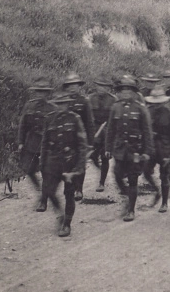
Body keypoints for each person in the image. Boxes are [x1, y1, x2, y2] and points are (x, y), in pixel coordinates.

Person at [39, 90, 89, 237]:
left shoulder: (75, 119)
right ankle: (61, 214)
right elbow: (44, 143)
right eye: (58, 104)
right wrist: (42, 162)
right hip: (53, 161)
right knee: (49, 191)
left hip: (70, 162)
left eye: (64, 104)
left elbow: (82, 145)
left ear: (68, 104)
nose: (61, 107)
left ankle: (67, 224)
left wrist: (79, 167)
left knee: (69, 194)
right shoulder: (49, 119)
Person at [105, 75, 154, 222]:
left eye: (129, 91)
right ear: (119, 92)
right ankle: (126, 196)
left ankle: (131, 210)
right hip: (120, 150)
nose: (125, 93)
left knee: (133, 179)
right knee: (117, 174)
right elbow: (111, 130)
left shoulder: (140, 109)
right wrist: (108, 147)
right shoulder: (115, 107)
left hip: (135, 150)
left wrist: (147, 152)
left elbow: (147, 132)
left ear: (134, 93)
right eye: (123, 91)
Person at [59, 72, 95, 202]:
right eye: (70, 85)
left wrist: (90, 142)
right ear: (67, 87)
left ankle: (79, 188)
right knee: (65, 162)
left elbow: (90, 123)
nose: (72, 87)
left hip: (80, 138)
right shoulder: (62, 101)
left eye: (75, 85)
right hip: (66, 137)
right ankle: (68, 186)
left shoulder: (84, 101)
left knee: (80, 162)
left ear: (79, 86)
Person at [143, 88, 170, 213]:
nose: (157, 105)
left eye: (159, 103)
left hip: (165, 148)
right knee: (146, 171)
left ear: (163, 102)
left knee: (164, 176)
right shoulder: (147, 112)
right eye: (154, 102)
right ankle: (156, 191)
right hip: (151, 147)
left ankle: (164, 203)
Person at [17, 77, 53, 199]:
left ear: (47, 93)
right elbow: (23, 125)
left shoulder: (52, 107)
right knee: (29, 170)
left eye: (43, 92)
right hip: (31, 142)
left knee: (46, 171)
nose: (40, 94)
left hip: (46, 144)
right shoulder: (29, 105)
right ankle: (39, 189)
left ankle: (44, 195)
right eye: (38, 91)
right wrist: (20, 142)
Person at [88, 76, 117, 192]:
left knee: (105, 157)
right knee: (92, 154)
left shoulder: (113, 100)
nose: (101, 89)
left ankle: (101, 183)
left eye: (104, 87)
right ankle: (98, 167)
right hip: (94, 129)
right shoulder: (90, 98)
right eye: (99, 86)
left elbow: (115, 117)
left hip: (107, 129)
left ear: (108, 88)